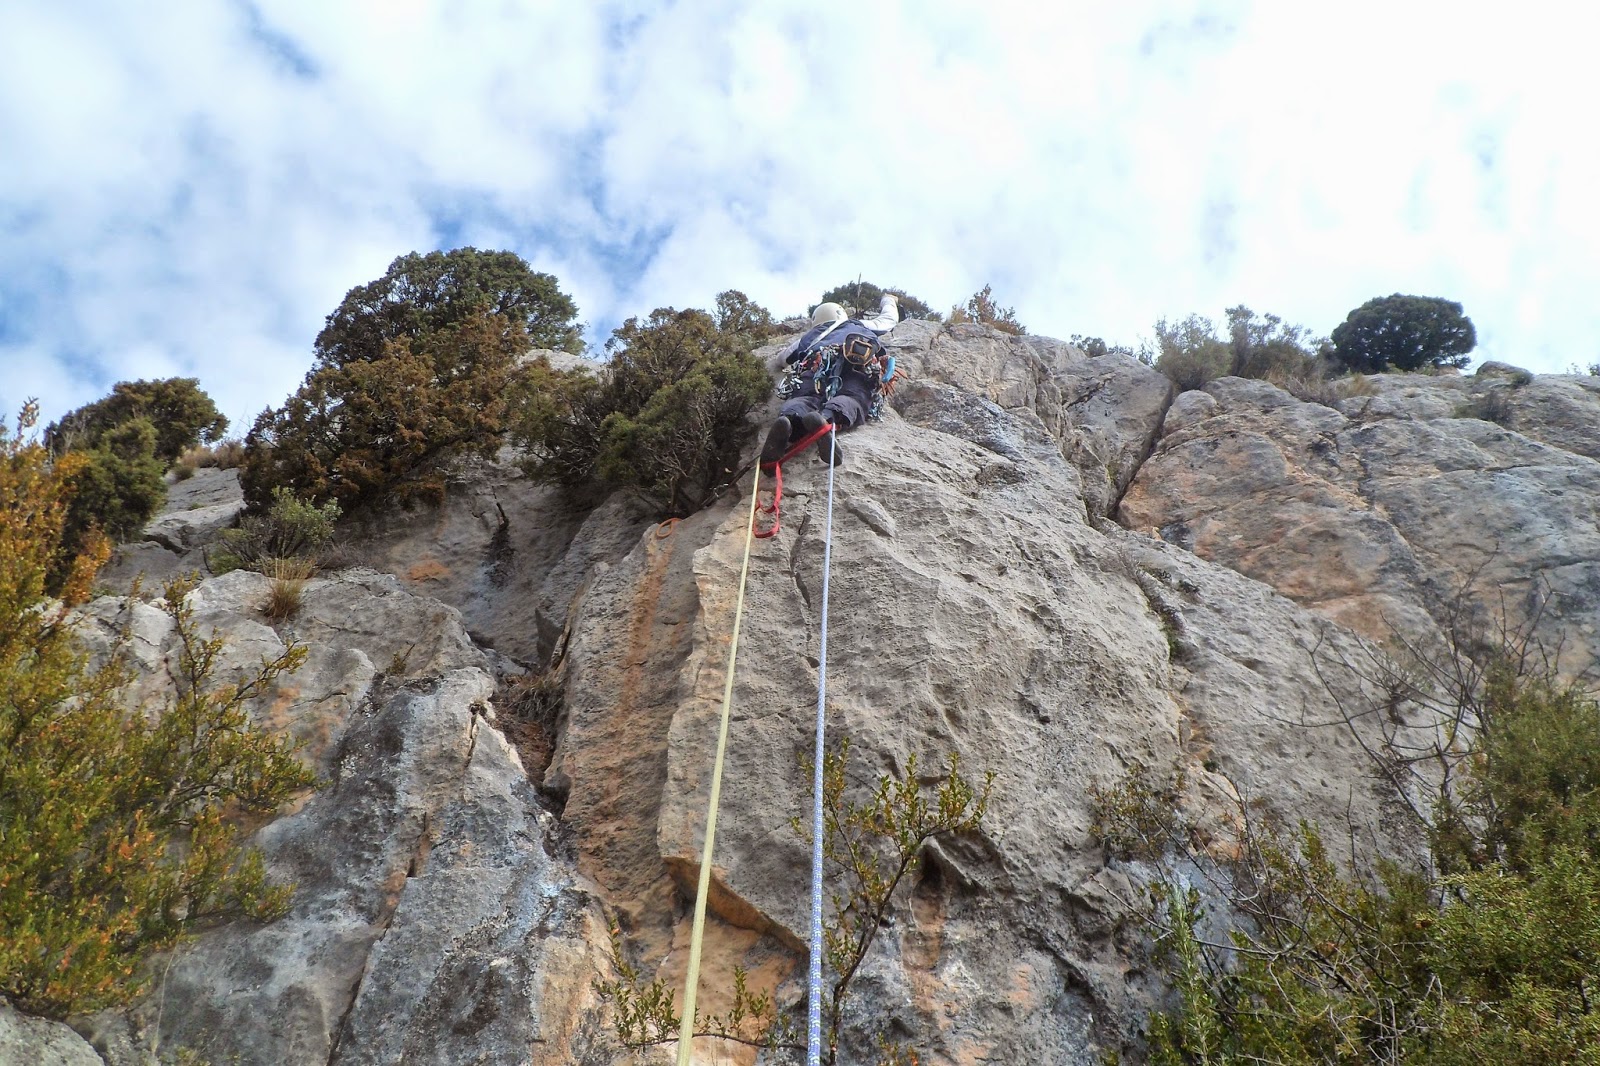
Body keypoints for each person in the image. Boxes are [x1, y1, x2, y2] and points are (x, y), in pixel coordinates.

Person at [760, 293, 900, 466]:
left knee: (804, 398)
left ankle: (789, 420)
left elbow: (783, 358)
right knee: (852, 398)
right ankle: (825, 419)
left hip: (816, 365)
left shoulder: (811, 336)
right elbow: (889, 319)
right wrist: (889, 300)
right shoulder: (860, 325)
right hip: (857, 365)